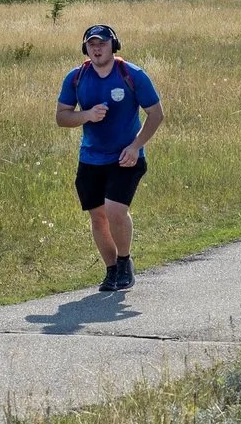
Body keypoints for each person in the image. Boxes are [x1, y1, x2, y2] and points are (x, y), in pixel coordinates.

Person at [54, 25, 163, 293]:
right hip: (91, 158)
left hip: (126, 156)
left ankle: (125, 263)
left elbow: (156, 114)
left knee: (115, 210)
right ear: (85, 48)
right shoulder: (76, 77)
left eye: (102, 43)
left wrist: (136, 146)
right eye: (91, 44)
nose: (97, 48)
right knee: (98, 217)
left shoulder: (132, 75)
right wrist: (86, 115)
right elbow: (62, 117)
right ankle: (112, 270)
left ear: (113, 46)